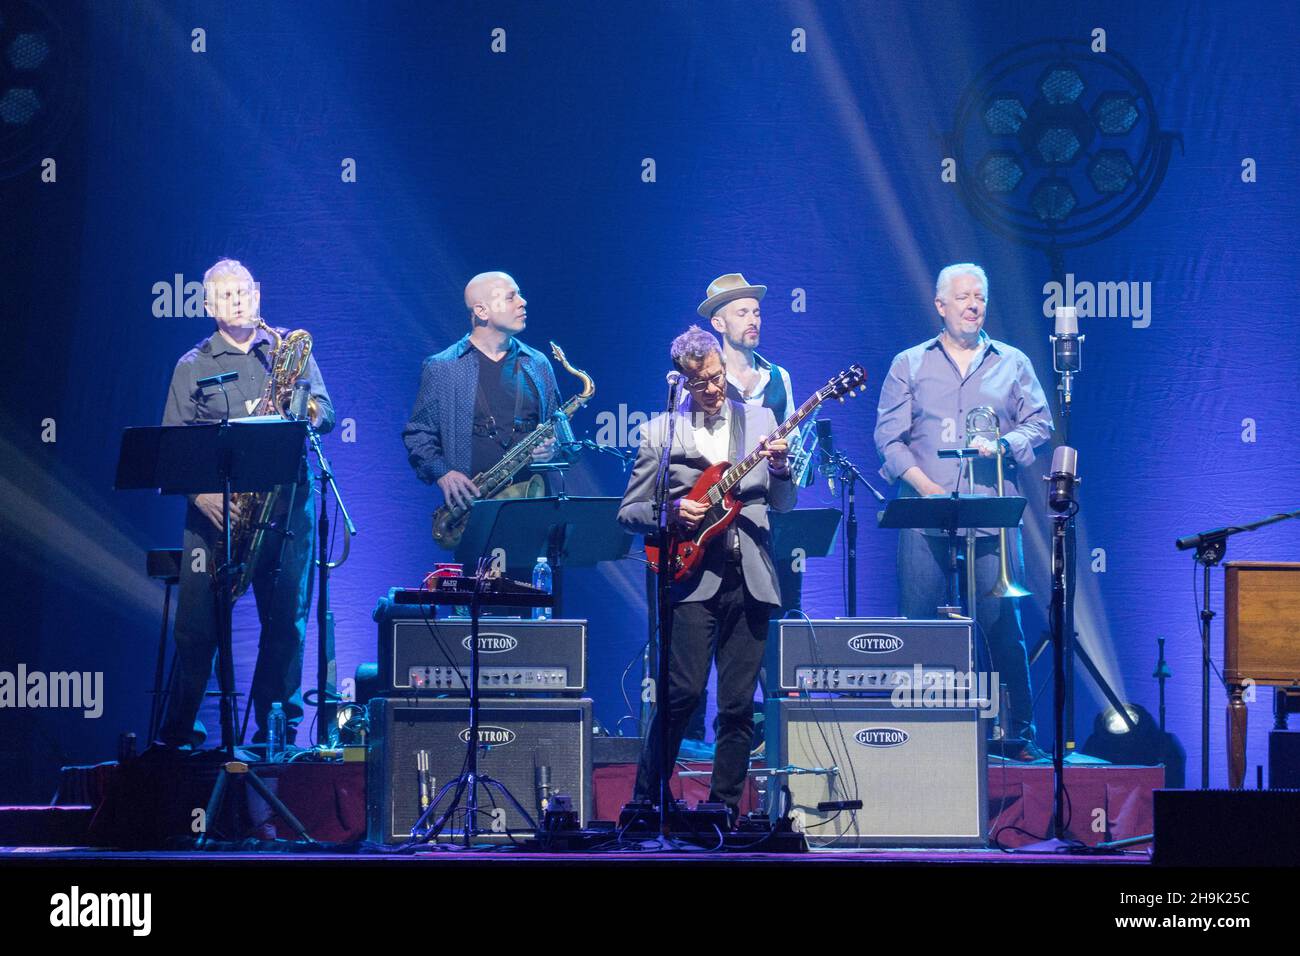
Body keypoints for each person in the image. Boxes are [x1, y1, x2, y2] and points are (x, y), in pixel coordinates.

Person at [873, 262, 1052, 760]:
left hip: (990, 512)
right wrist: (925, 486)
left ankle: (1018, 733)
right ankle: (918, 731)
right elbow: (888, 439)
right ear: (941, 306)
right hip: (926, 510)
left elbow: (1040, 424)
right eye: (964, 297)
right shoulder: (908, 363)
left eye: (980, 297)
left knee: (1001, 622)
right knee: (920, 623)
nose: (974, 305)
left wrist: (1005, 443)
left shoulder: (1012, 362)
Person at [619, 325, 795, 822]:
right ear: (681, 381)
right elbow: (628, 512)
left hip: (751, 577)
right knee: (683, 695)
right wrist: (671, 512)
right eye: (700, 384)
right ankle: (644, 802)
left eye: (717, 377)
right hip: (691, 577)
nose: (714, 390)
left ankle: (722, 810)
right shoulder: (660, 432)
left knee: (739, 704)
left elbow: (784, 501)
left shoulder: (761, 419)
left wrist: (780, 470)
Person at [159, 258, 334, 748]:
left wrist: (301, 407)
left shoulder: (285, 351)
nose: (241, 300)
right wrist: (204, 496)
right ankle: (181, 738)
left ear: (258, 295)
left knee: (285, 626)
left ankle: (273, 736)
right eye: (229, 294)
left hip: (286, 509)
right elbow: (171, 449)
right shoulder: (192, 364)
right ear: (210, 306)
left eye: (247, 292)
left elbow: (325, 413)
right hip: (217, 516)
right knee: (197, 632)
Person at [402, 272, 561, 536]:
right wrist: (443, 474)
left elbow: (561, 434)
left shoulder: (538, 363)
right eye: (511, 296)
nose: (523, 302)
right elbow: (418, 434)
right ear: (481, 310)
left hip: (534, 509)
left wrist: (552, 449)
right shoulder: (443, 367)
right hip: (473, 513)